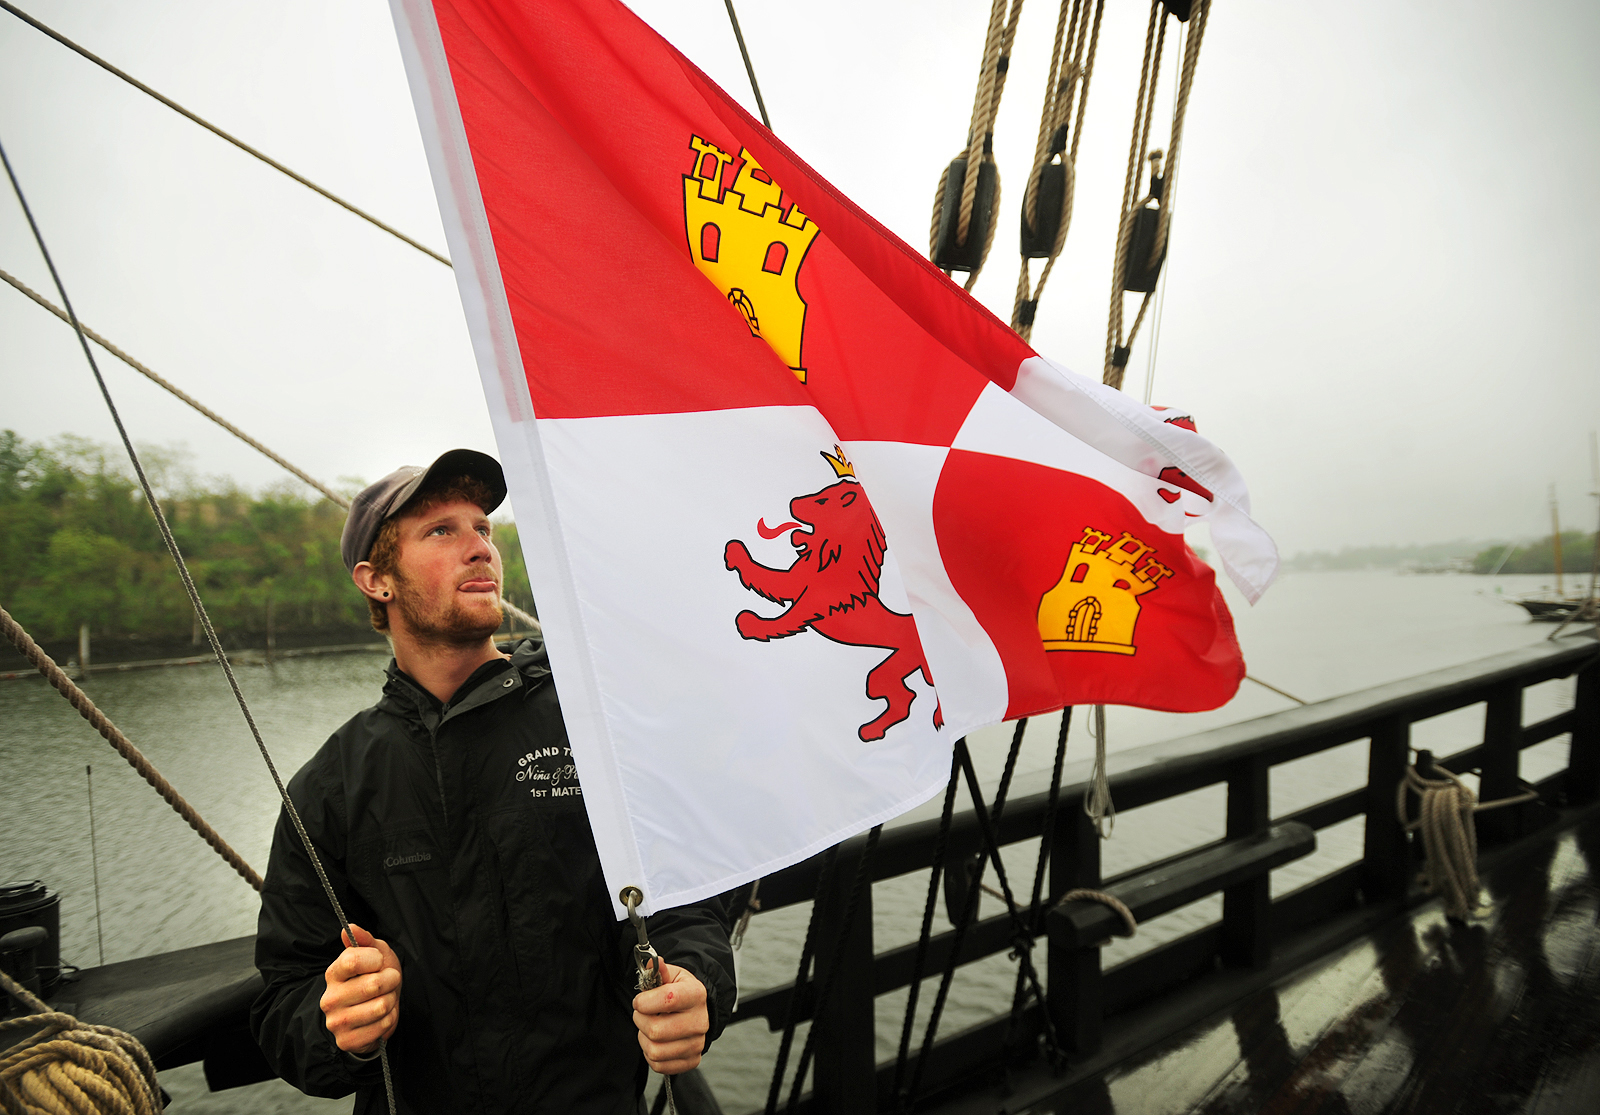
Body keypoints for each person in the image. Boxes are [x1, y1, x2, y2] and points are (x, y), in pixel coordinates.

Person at [250, 449, 735, 1114]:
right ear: (376, 579)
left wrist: (697, 977)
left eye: (483, 527)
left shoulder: (593, 725)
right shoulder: (332, 784)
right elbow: (284, 1001)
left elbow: (686, 903)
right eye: (442, 530)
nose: (480, 546)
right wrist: (341, 1025)